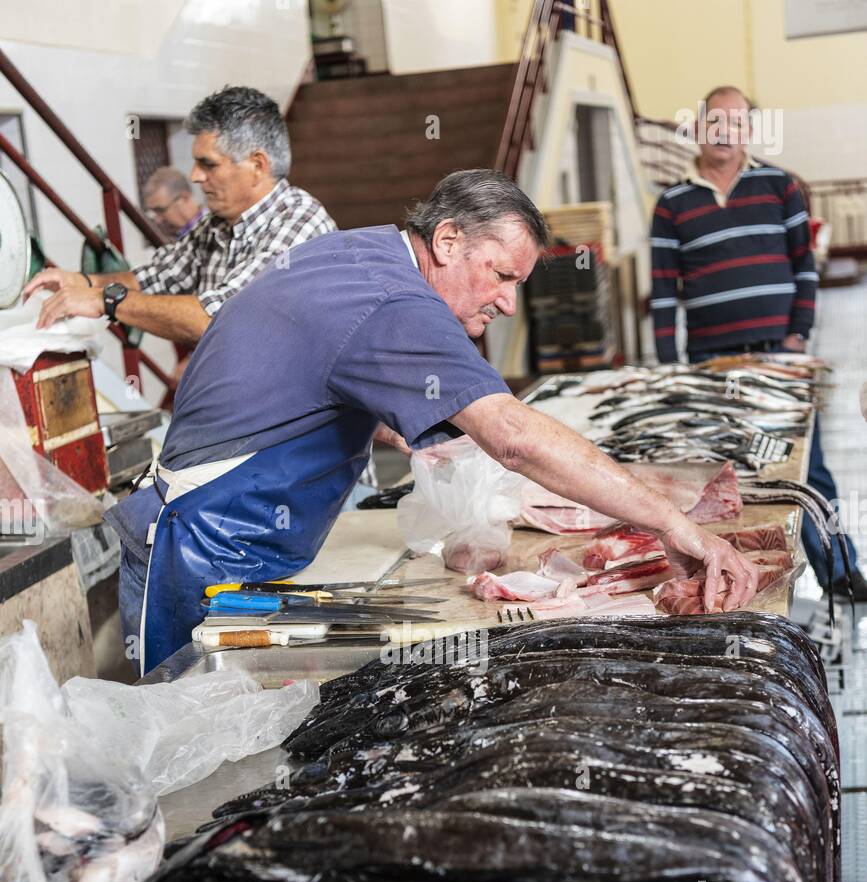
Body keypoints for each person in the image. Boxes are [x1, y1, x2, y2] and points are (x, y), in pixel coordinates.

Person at [107, 169, 758, 674]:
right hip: (197, 550)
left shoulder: (363, 254)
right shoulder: (397, 301)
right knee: (190, 766)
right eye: (500, 275)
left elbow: (322, 379)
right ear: (446, 240)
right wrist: (672, 522)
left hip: (221, 535)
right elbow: (513, 438)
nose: (507, 301)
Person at [650, 84, 863, 598]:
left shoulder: (780, 186)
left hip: (779, 354)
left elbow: (804, 268)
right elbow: (662, 293)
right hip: (711, 361)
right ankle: (735, 584)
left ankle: (839, 572)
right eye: (715, 121)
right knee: (725, 478)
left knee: (807, 469)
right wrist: (671, 369)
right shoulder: (671, 203)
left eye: (737, 122)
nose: (725, 131)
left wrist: (796, 337)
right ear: (699, 127)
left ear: (749, 131)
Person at [22, 85, 336, 345]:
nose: (196, 176)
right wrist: (80, 281)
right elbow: (150, 279)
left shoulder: (299, 223)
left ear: (257, 165)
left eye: (208, 164)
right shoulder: (218, 224)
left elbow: (218, 320)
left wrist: (106, 299)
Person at [142, 167, 205, 240]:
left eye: (161, 210)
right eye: (153, 213)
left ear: (184, 197)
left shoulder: (214, 231)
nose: (158, 220)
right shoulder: (179, 238)